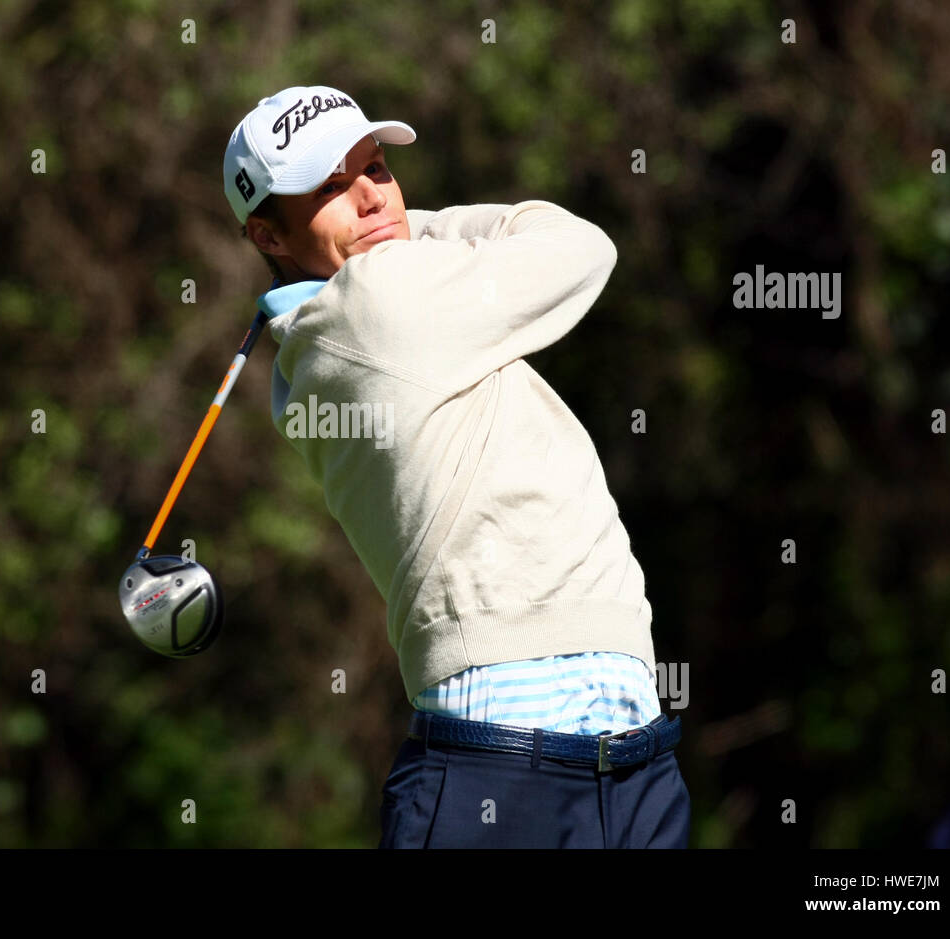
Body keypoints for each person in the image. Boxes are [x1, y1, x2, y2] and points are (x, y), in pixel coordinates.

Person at [222, 85, 690, 848]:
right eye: (333, 187)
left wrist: (392, 233)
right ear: (269, 236)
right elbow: (579, 246)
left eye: (377, 169)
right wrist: (418, 230)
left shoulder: (376, 307)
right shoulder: (376, 306)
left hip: (632, 755)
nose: (373, 197)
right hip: (505, 774)